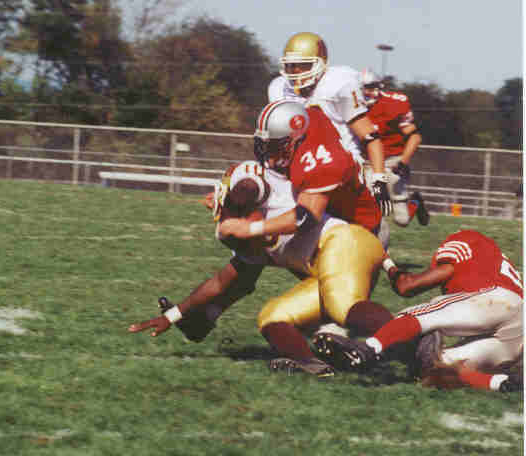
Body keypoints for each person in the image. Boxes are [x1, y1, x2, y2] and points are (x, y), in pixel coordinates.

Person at [129, 100, 395, 377]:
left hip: (351, 238)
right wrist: (173, 316)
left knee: (342, 310)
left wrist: (236, 206)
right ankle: (315, 368)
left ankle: (415, 338)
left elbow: (252, 187)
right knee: (273, 317)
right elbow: (222, 282)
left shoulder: (265, 190)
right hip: (330, 254)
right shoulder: (255, 243)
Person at [313, 228, 523, 393]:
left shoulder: (465, 242)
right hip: (518, 329)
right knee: (438, 367)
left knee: (420, 314)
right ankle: (500, 383)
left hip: (497, 300)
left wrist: (388, 264)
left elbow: (408, 286)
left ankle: (368, 349)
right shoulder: (494, 260)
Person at [268, 32, 391, 217]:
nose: (296, 72)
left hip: (341, 168)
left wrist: (379, 178)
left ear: (320, 63)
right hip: (301, 168)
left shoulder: (338, 84)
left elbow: (369, 136)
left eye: (303, 66)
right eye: (291, 66)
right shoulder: (279, 88)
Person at [360, 68, 429, 227]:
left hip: (393, 162)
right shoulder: (350, 106)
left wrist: (403, 163)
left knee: (402, 220)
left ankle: (415, 202)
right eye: (362, 88)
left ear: (379, 87)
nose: (366, 92)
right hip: (368, 163)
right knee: (372, 209)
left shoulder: (393, 104)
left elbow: (415, 136)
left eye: (370, 87)